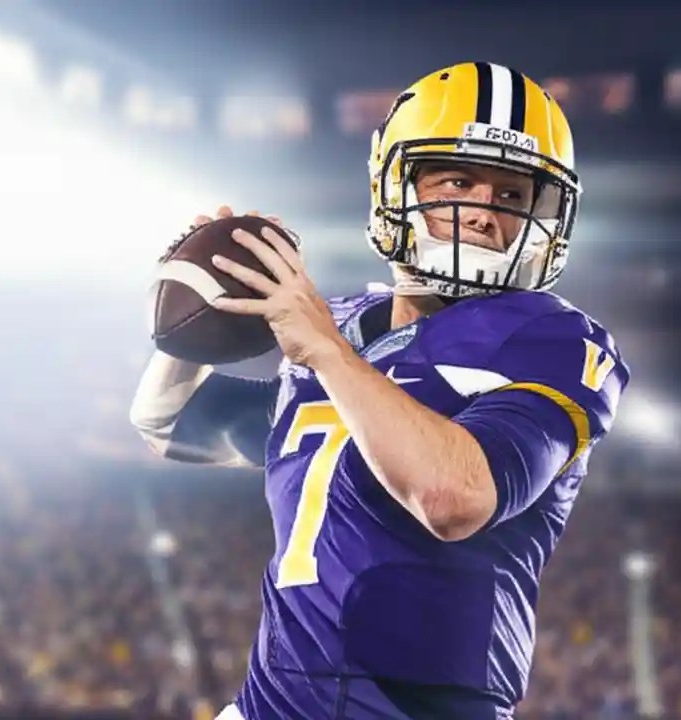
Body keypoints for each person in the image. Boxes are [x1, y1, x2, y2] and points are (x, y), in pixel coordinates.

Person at [130, 61, 630, 720]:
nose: (484, 213)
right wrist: (198, 321)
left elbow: (455, 497)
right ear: (394, 186)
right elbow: (168, 425)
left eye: (513, 196)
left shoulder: (554, 340)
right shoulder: (338, 327)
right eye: (458, 180)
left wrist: (326, 354)